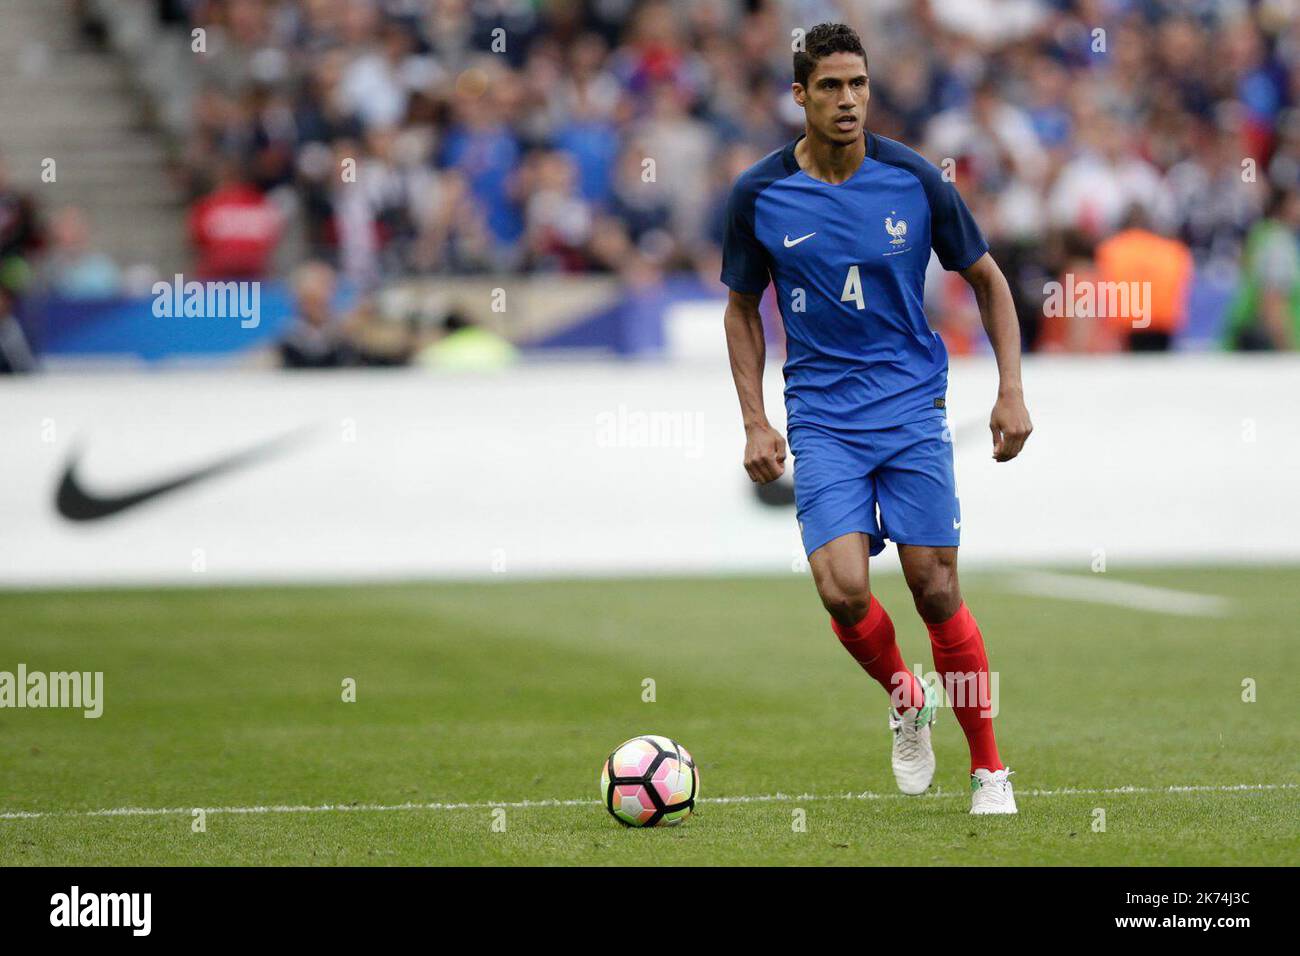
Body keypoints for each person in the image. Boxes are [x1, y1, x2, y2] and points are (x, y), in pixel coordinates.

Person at [720, 23, 1032, 814]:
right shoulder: (759, 194)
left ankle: (989, 771)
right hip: (822, 416)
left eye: (858, 84)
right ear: (800, 95)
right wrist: (756, 421)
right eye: (829, 86)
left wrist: (1010, 390)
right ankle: (905, 697)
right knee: (843, 591)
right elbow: (742, 309)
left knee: (933, 584)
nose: (848, 99)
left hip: (908, 407)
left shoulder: (917, 181)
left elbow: (990, 282)